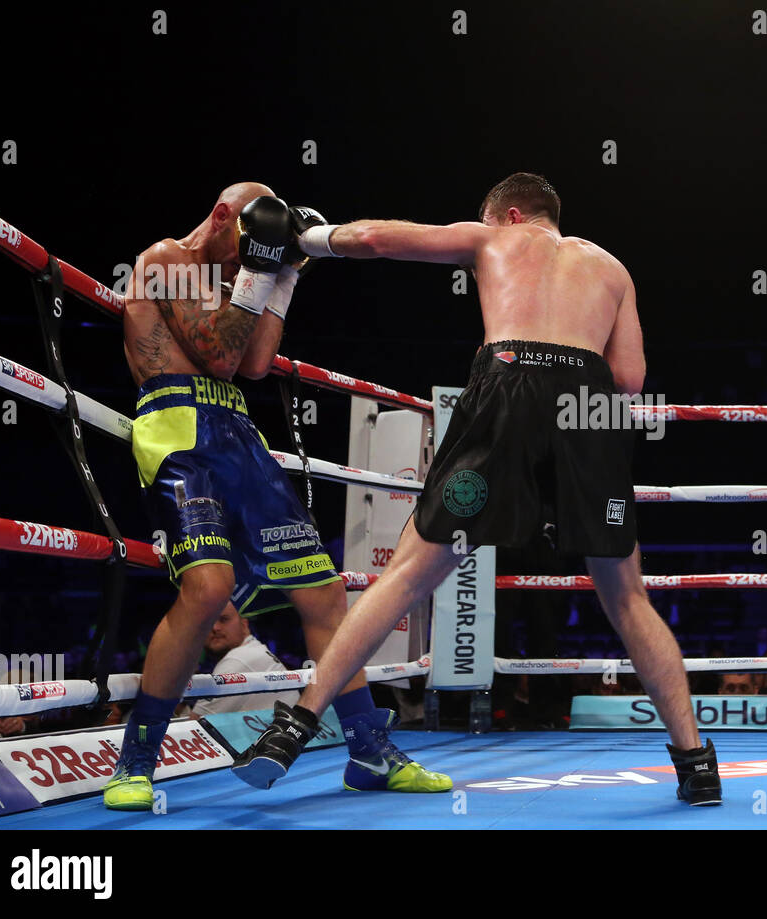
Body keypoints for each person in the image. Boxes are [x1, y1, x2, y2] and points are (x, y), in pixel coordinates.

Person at [233, 173, 721, 805]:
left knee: (410, 574)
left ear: (509, 215)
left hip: (510, 381)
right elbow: (630, 377)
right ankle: (696, 765)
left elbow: (379, 239)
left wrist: (309, 239)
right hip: (589, 408)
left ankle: (293, 728)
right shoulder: (612, 268)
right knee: (628, 597)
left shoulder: (497, 239)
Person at [106, 183, 448, 811]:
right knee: (207, 590)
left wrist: (283, 272)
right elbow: (217, 352)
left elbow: (255, 363)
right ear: (219, 218)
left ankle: (370, 750)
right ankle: (136, 762)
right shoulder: (165, 260)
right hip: (178, 429)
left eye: (251, 260)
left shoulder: (240, 273)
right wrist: (261, 267)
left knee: (322, 595)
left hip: (235, 429)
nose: (243, 266)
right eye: (244, 250)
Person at [185, 603, 301, 717]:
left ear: (244, 625)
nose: (215, 627)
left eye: (224, 619)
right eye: (208, 622)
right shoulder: (253, 651)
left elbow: (194, 726)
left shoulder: (239, 659)